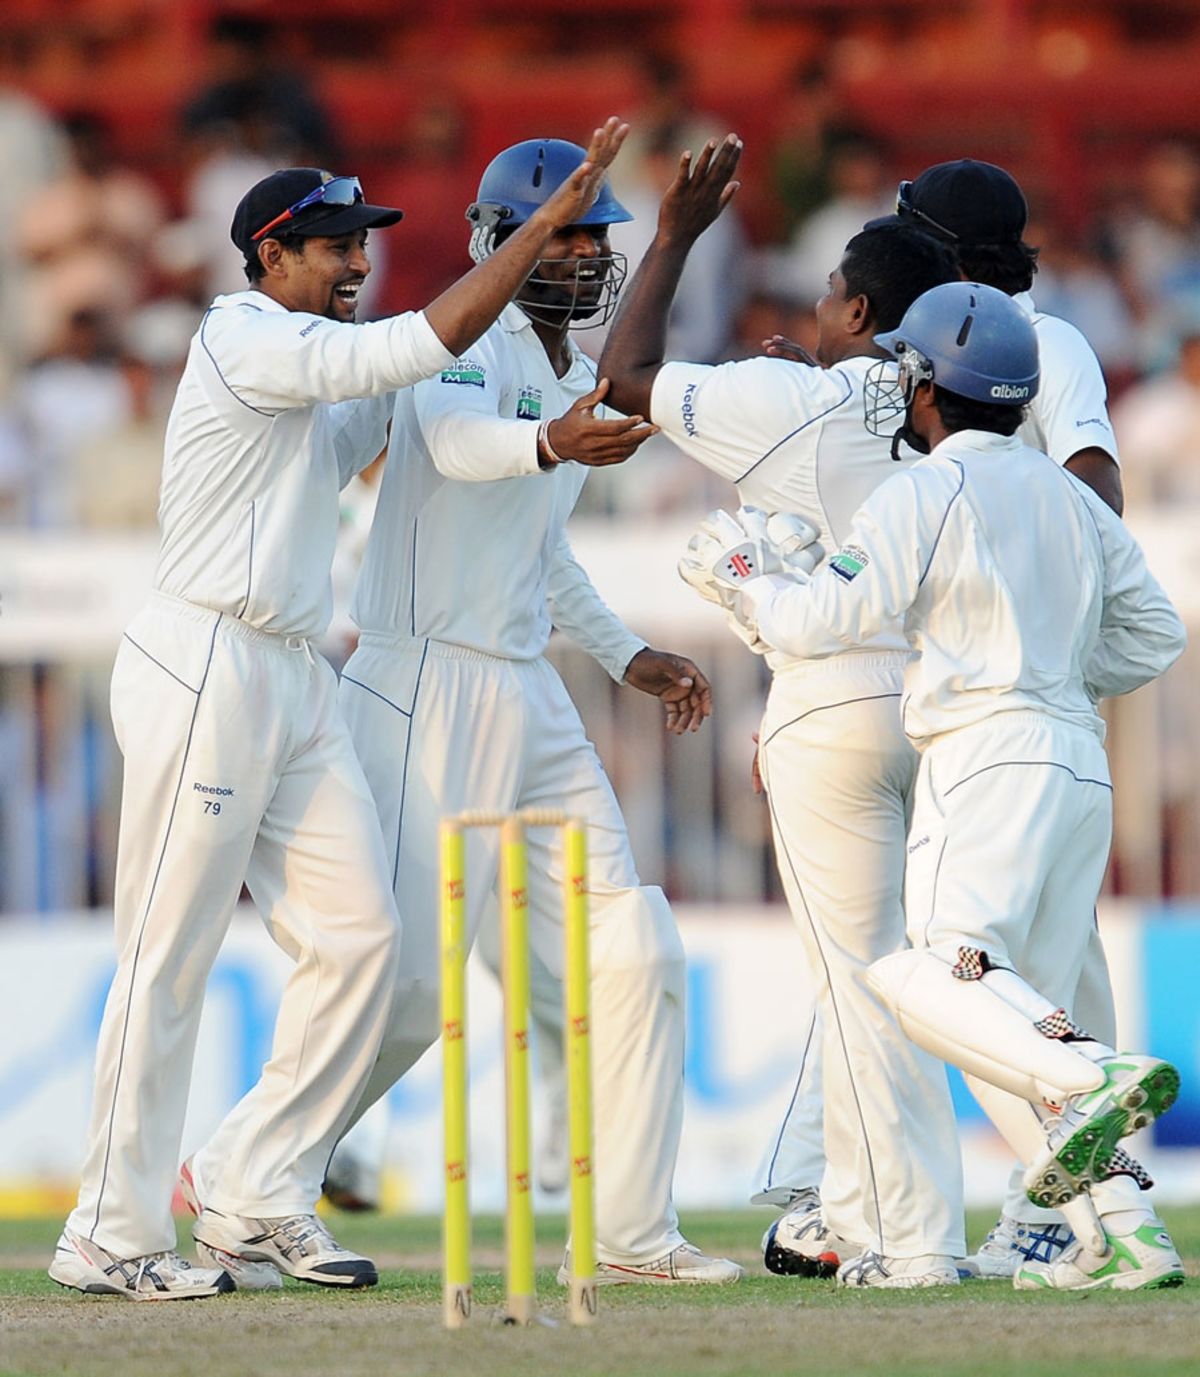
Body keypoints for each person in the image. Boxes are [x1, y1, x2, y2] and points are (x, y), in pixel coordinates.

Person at [50, 122, 632, 1301]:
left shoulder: (325, 359)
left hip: (298, 671)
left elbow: (415, 406)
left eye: (362, 246)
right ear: (268, 254)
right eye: (330, 248)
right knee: (168, 960)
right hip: (204, 657)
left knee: (367, 947)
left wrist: (535, 418)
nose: (355, 265)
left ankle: (256, 1196)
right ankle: (107, 1236)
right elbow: (421, 344)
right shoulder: (244, 336)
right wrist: (533, 231)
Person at [691, 280, 1186, 1293]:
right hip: (1073, 759)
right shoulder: (1063, 490)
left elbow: (822, 624)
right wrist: (1046, 668)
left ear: (924, 388)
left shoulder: (923, 491)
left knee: (926, 977)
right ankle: (1125, 1236)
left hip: (985, 757)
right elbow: (1155, 635)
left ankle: (1092, 1081)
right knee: (1017, 1018)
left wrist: (746, 578)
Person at [335, 136, 741, 1287]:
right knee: (412, 992)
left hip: (524, 688)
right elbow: (466, 454)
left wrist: (626, 658)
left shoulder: (569, 370)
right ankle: (252, 1184)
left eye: (595, 236)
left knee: (635, 945)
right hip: (421, 681)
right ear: (495, 237)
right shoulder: (456, 340)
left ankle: (629, 1237)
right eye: (564, 232)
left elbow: (542, 545)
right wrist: (553, 438)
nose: (582, 253)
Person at [600, 137, 969, 1288]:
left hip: (833, 703)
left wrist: (673, 237)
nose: (811, 310)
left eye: (824, 296)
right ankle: (841, 1213)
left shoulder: (786, 397)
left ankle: (907, 1239)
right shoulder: (973, 401)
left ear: (856, 306)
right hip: (952, 709)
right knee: (910, 976)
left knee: (862, 988)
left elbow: (623, 379)